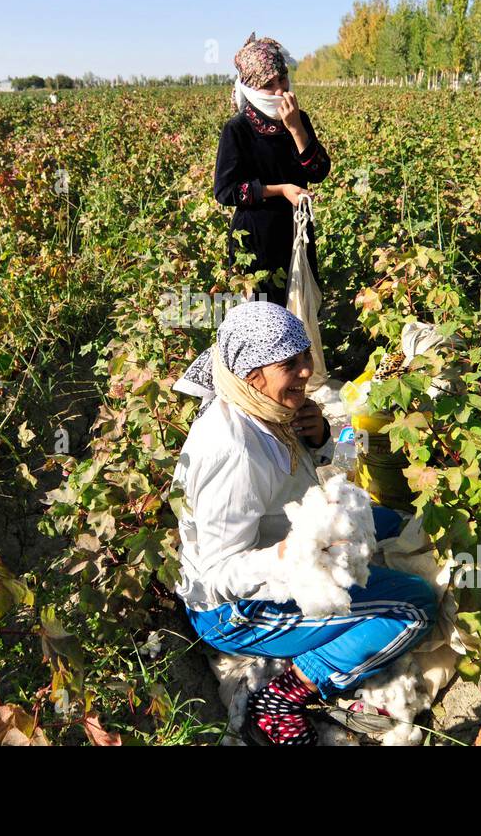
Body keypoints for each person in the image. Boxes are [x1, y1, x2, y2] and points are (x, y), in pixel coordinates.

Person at [172, 301, 437, 745]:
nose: (306, 373)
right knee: (414, 606)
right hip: (232, 610)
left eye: (305, 357)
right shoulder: (232, 451)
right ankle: (284, 695)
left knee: (389, 523)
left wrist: (317, 440)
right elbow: (220, 574)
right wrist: (290, 555)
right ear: (253, 374)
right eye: (289, 364)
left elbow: (290, 481)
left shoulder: (264, 407)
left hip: (281, 544)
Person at [213, 35, 331, 307]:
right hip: (256, 240)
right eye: (269, 85)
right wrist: (280, 190)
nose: (280, 90)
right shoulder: (238, 129)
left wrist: (296, 129)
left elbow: (318, 171)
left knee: (300, 312)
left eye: (283, 79)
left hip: (296, 232)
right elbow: (225, 191)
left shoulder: (298, 119)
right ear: (252, 89)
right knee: (263, 317)